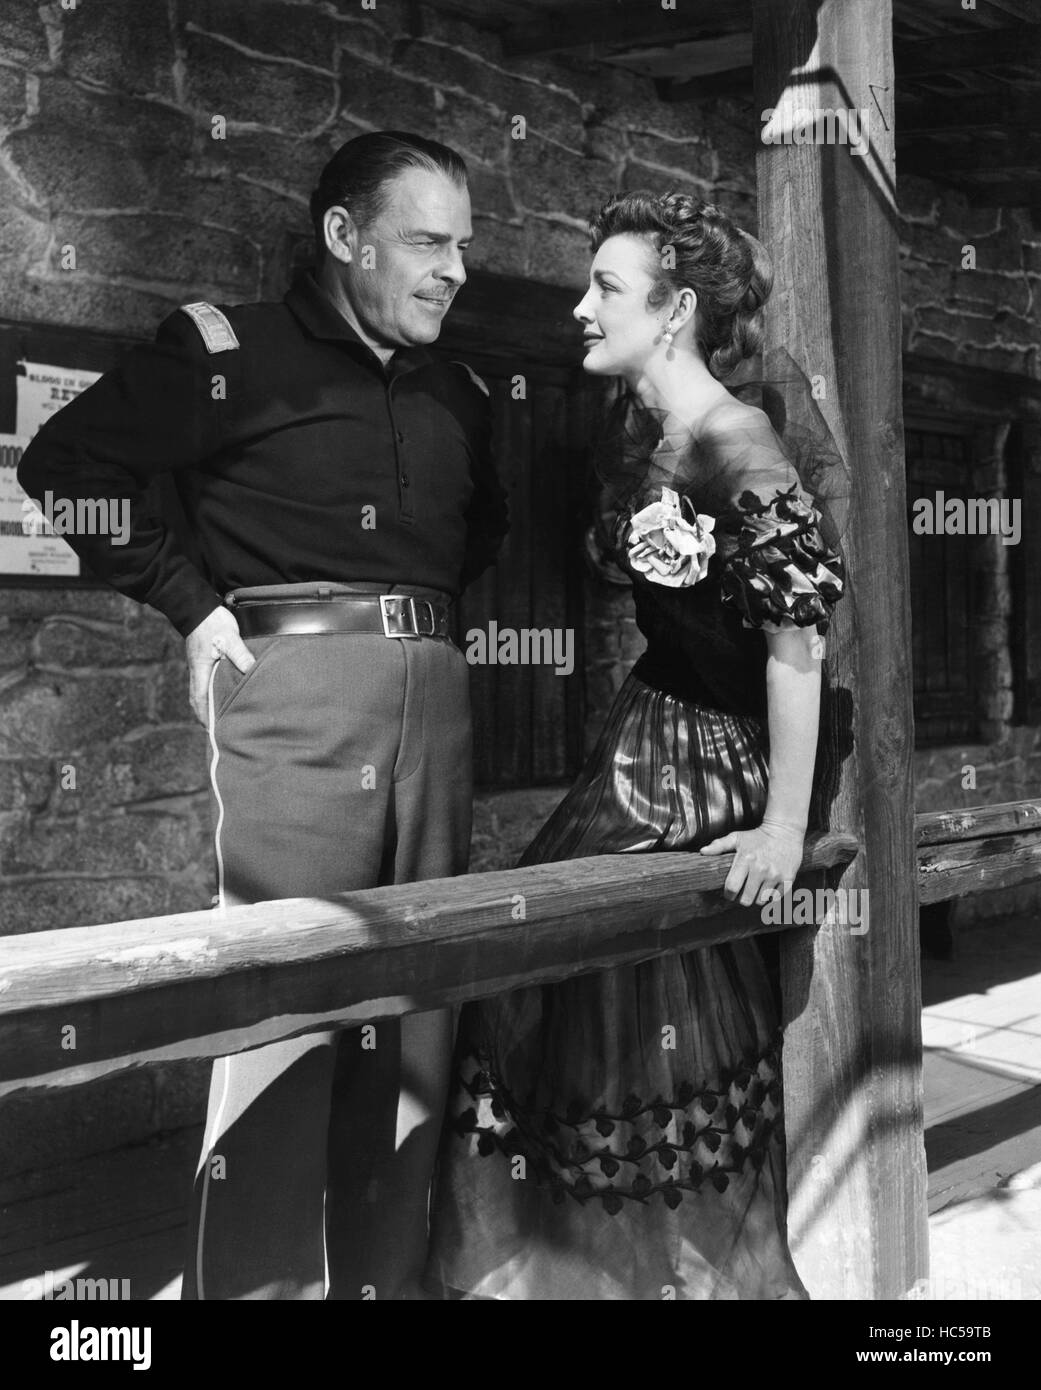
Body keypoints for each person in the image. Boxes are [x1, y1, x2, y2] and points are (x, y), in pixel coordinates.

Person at [17, 131, 508, 1300]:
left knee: (417, 1013)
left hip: (432, 697)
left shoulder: (461, 388)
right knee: (287, 1005)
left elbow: (475, 534)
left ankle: (382, 1287)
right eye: (429, 242)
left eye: (465, 248)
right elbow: (67, 462)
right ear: (345, 235)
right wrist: (191, 608)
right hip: (297, 693)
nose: (454, 271)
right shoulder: (231, 351)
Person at [425, 191, 847, 1300]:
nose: (579, 307)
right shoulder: (645, 430)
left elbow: (798, 642)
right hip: (646, 733)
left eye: (605, 287)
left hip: (704, 763)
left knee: (620, 1019)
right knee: (563, 1005)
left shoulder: (737, 440)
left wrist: (788, 825)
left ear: (677, 311)